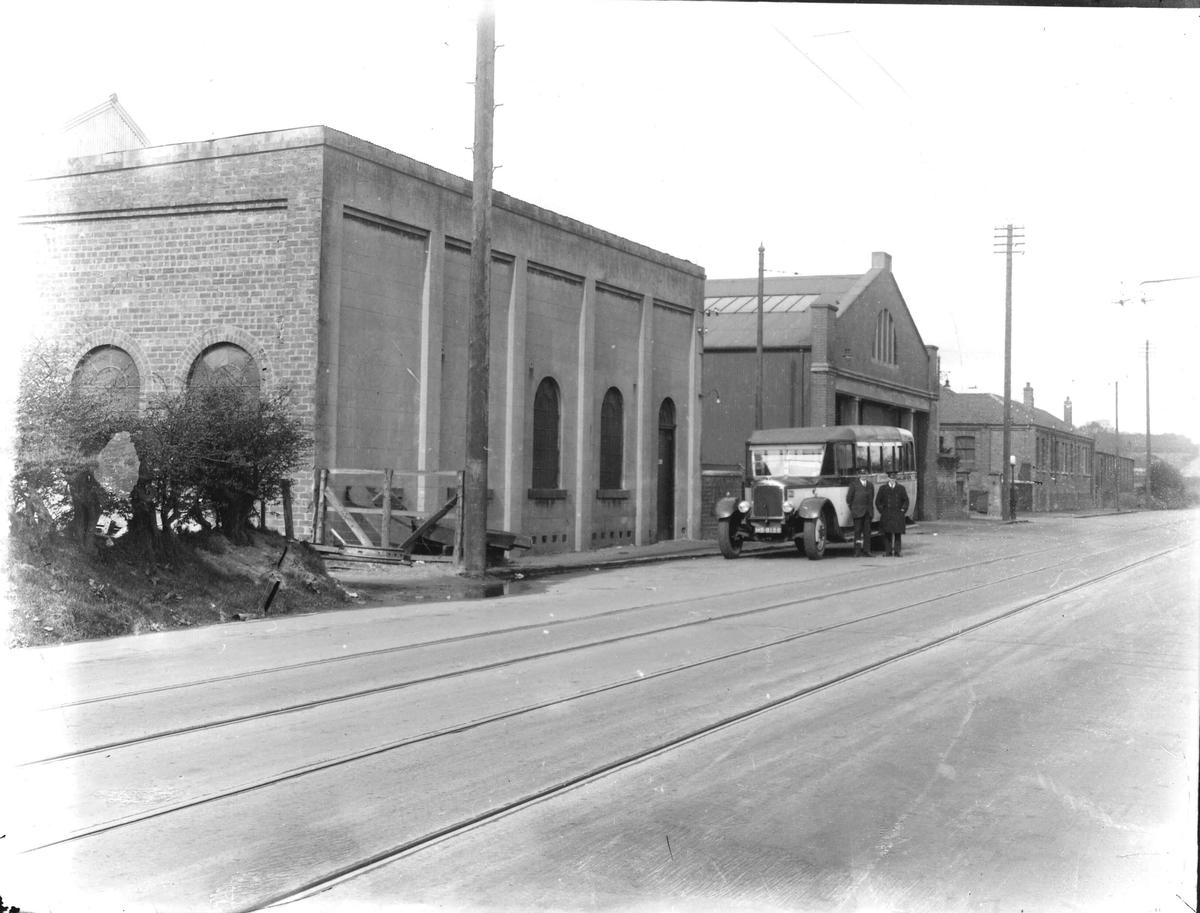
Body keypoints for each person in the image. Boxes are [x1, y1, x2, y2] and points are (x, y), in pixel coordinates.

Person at [875, 470, 910, 557]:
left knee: (897, 533)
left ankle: (897, 552)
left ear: (896, 478)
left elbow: (906, 500)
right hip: (887, 514)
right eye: (891, 478)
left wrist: (903, 510)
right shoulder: (883, 488)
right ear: (888, 478)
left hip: (898, 513)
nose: (892, 479)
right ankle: (888, 551)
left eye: (894, 478)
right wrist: (882, 511)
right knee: (887, 533)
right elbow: (877, 501)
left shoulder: (901, 488)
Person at [846, 467, 875, 557]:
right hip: (857, 512)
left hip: (867, 512)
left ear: (867, 475)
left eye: (865, 474)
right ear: (859, 475)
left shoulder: (870, 485)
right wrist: (854, 509)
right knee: (857, 532)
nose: (863, 476)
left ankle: (867, 550)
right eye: (862, 474)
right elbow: (848, 499)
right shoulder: (854, 484)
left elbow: (872, 497)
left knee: (867, 532)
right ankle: (857, 551)